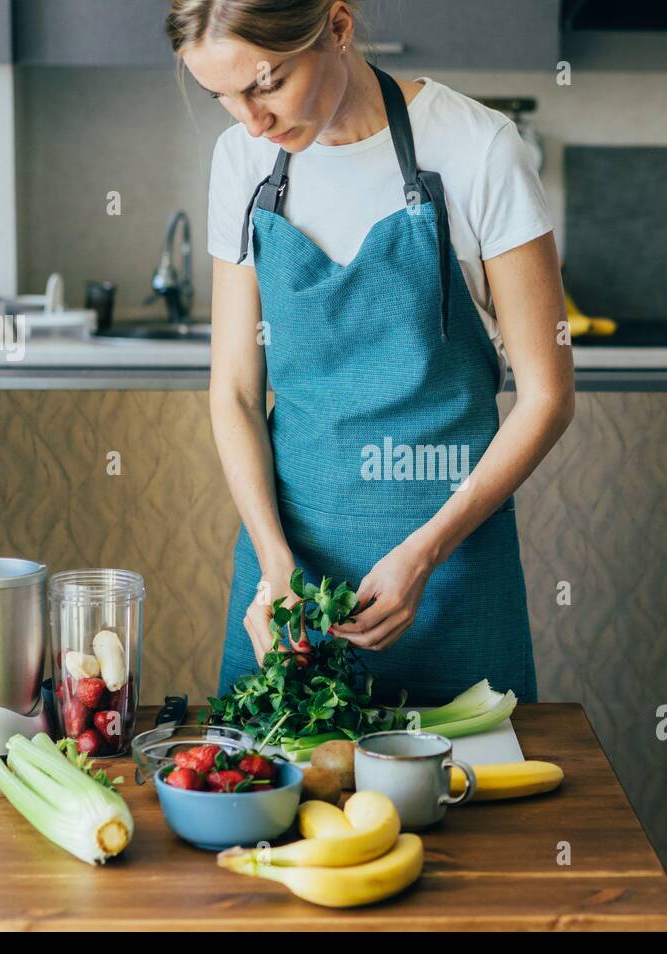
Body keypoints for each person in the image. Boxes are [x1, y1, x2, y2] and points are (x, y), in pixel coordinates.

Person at [169, 0, 574, 705]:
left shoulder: (479, 149)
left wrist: (427, 552)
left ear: (339, 26)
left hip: (450, 568)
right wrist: (274, 567)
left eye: (266, 84)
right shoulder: (241, 161)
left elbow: (547, 396)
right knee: (270, 800)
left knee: (480, 805)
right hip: (289, 571)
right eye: (222, 97)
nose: (251, 120)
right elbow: (234, 390)